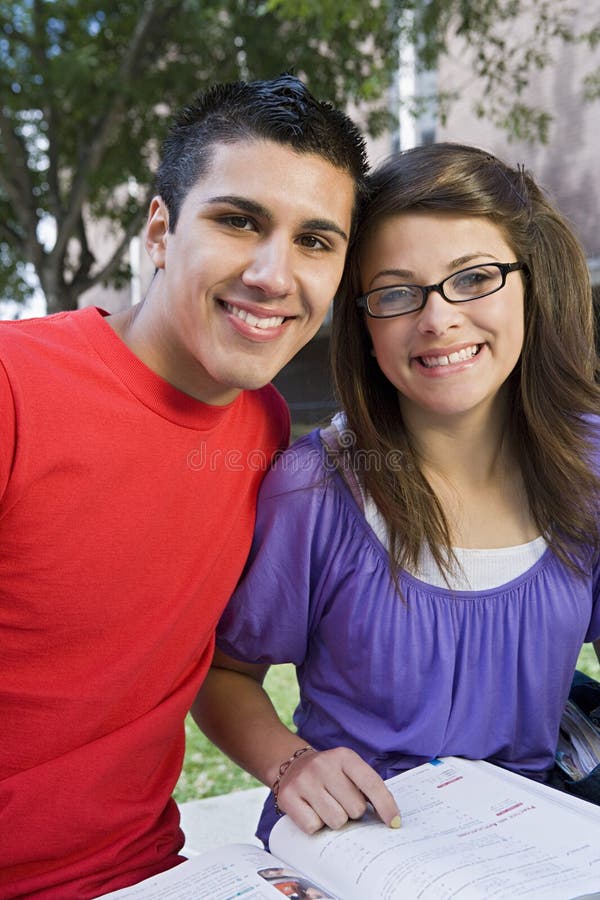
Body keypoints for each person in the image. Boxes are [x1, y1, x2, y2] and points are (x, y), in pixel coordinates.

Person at [0, 75, 368, 899]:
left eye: (316, 241)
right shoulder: (13, 387)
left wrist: (291, 760)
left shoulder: (265, 426)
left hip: (152, 872)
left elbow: (189, 653)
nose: (275, 275)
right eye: (238, 221)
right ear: (160, 230)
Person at [193, 142, 600, 849]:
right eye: (396, 292)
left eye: (473, 278)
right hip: (353, 851)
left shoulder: (587, 464)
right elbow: (222, 676)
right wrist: (292, 764)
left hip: (531, 852)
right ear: (365, 324)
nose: (438, 319)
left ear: (531, 285)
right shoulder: (313, 489)